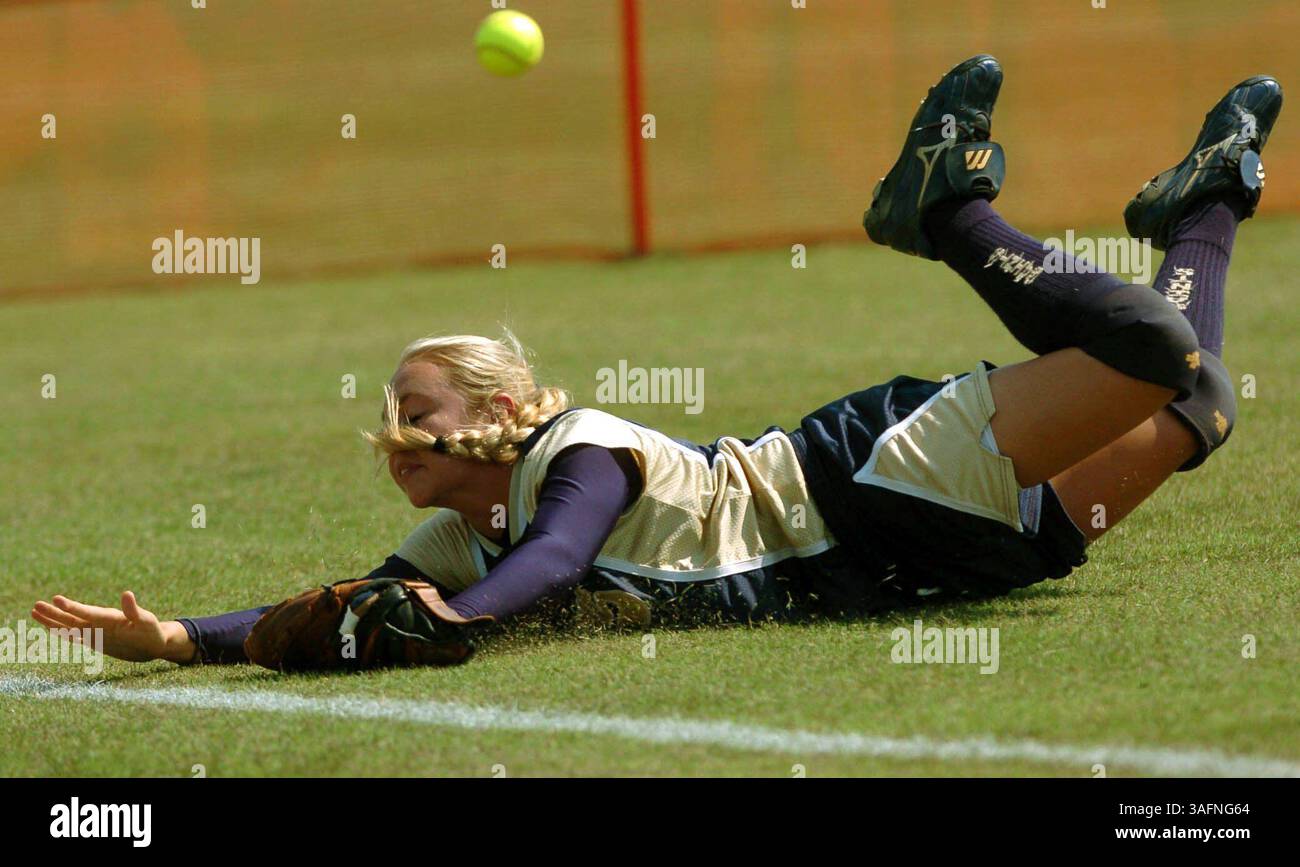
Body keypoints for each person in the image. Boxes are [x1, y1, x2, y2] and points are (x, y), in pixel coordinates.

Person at [31, 56, 1281, 668]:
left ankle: (945, 213)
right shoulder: (466, 540)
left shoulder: (575, 461)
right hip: (934, 571)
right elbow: (354, 598)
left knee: (1148, 350)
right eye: (390, 408)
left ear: (505, 410)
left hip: (856, 485)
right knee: (1202, 401)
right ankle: (1206, 203)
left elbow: (562, 555)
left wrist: (457, 618)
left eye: (422, 398)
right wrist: (188, 639)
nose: (396, 417)